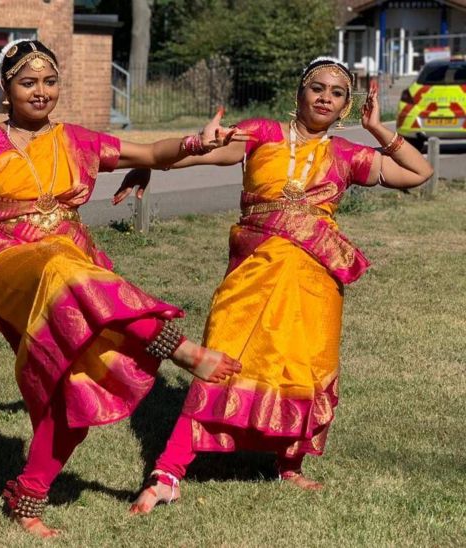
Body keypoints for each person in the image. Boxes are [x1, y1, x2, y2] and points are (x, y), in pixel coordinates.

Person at [0, 39, 243, 538]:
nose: (40, 91)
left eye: (49, 81)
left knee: (74, 387)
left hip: (76, 263)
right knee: (62, 267)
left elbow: (149, 153)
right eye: (27, 82)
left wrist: (196, 144)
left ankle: (27, 499)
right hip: (8, 260)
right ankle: (180, 350)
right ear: (4, 90)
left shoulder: (79, 140)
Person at [119, 57, 434, 514]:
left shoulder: (345, 155)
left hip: (313, 283)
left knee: (301, 366)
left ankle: (289, 465)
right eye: (317, 88)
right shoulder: (263, 134)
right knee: (224, 359)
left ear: (346, 105)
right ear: (299, 95)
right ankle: (168, 472)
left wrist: (379, 130)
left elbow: (418, 173)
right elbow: (206, 150)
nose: (325, 97)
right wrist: (152, 165)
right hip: (253, 273)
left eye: (337, 92)